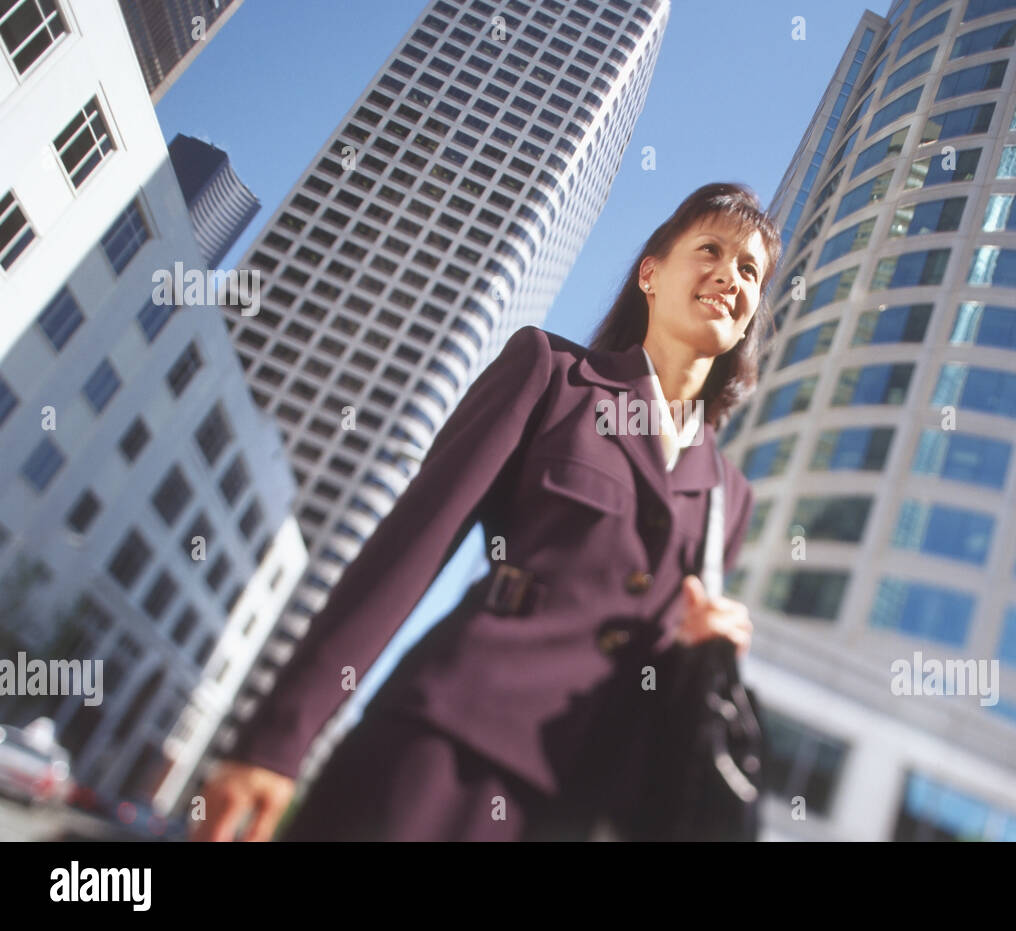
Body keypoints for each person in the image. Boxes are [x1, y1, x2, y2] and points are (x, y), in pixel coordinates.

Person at [190, 181, 782, 841]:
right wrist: (279, 737)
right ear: (651, 272)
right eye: (710, 249)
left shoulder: (731, 498)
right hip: (437, 754)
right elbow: (409, 552)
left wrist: (703, 643)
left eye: (750, 269)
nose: (730, 274)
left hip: (571, 813)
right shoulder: (549, 373)